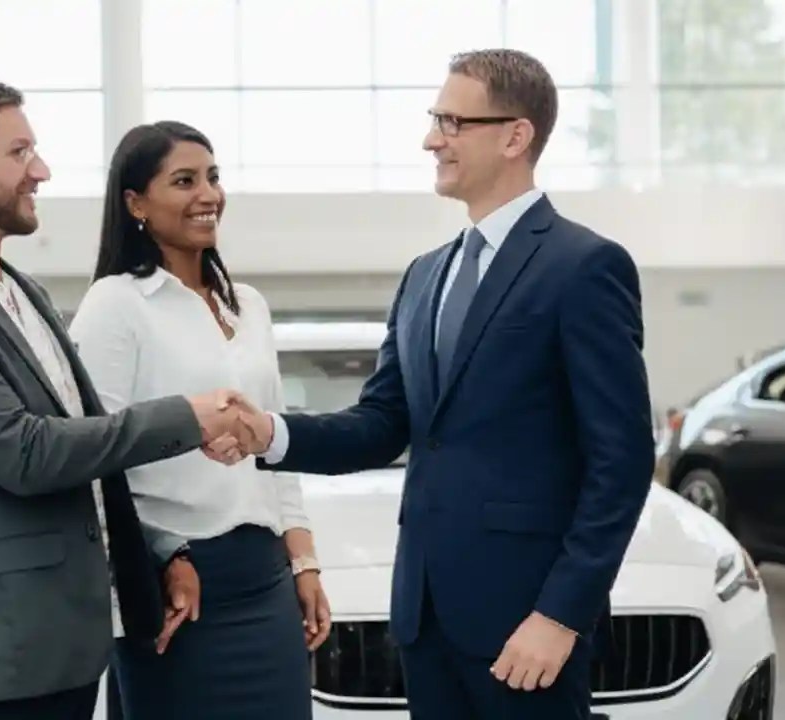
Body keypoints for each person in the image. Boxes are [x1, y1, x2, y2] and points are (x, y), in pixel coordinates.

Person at [236, 49, 656, 719]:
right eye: (437, 120)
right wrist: (270, 434)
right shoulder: (425, 275)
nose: (432, 139)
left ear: (516, 136)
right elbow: (383, 426)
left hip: (528, 621)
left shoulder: (584, 266)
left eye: (452, 122)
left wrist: (561, 614)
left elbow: (623, 460)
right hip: (426, 616)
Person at [0, 77, 248, 720]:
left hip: (63, 646)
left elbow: (83, 465)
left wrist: (158, 548)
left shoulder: (23, 294)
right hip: (1, 659)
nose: (40, 170)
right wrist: (187, 416)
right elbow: (28, 455)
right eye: (19, 153)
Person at [68, 120, 331, 720]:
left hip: (264, 579)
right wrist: (160, 558)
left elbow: (275, 448)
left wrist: (303, 559)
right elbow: (94, 459)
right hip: (177, 587)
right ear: (136, 203)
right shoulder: (116, 304)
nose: (207, 194)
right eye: (183, 181)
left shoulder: (250, 306)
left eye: (213, 177)